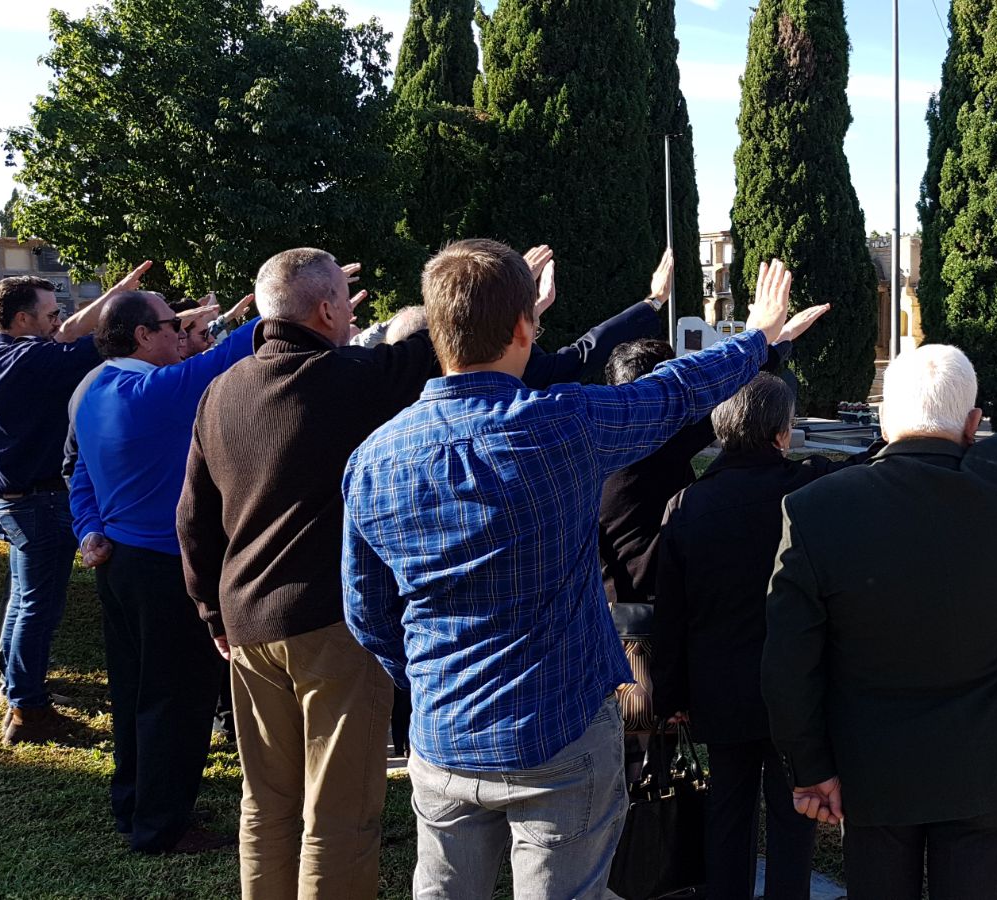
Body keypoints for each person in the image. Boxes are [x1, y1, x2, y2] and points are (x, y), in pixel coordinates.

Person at [178, 244, 674, 900]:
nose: (356, 327)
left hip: (247, 628)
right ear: (327, 309)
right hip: (329, 626)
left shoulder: (220, 390)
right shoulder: (354, 379)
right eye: (346, 313)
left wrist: (214, 615)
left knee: (264, 803)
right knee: (338, 813)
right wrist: (517, 300)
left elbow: (192, 518)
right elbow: (469, 345)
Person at [342, 240, 792, 900]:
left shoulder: (373, 457)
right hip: (560, 739)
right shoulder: (560, 426)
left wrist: (429, 683)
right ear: (525, 326)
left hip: (443, 739)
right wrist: (757, 339)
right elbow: (675, 391)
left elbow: (367, 611)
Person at [761, 337, 997, 900]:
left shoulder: (817, 509)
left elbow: (788, 662)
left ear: (884, 417)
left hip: (873, 768)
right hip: (988, 763)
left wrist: (811, 766)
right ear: (973, 423)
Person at [653, 371, 879, 900]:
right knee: (792, 814)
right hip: (795, 690)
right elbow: (865, 470)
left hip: (718, 688)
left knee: (727, 812)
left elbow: (672, 614)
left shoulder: (686, 505)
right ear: (782, 432)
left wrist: (672, 694)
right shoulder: (806, 487)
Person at [69, 291, 258, 854]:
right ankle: (161, 827)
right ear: (140, 336)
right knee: (177, 699)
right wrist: (297, 297)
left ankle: (133, 805)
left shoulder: (94, 389)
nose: (182, 330)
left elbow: (79, 473)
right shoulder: (154, 390)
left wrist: (89, 528)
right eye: (172, 323)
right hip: (163, 568)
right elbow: (232, 353)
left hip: (120, 566)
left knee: (133, 692)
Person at [0, 262, 150, 744]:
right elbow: (96, 340)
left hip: (11, 502)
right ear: (23, 320)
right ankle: (27, 711)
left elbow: (67, 333)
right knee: (38, 607)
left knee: (23, 600)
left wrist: (114, 293)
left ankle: (15, 685)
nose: (57, 319)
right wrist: (122, 307)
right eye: (49, 312)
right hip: (40, 506)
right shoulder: (32, 363)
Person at [597, 302, 828, 607]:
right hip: (647, 608)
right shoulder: (651, 445)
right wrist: (773, 343)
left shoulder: (598, 444)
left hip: (609, 603)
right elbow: (720, 393)